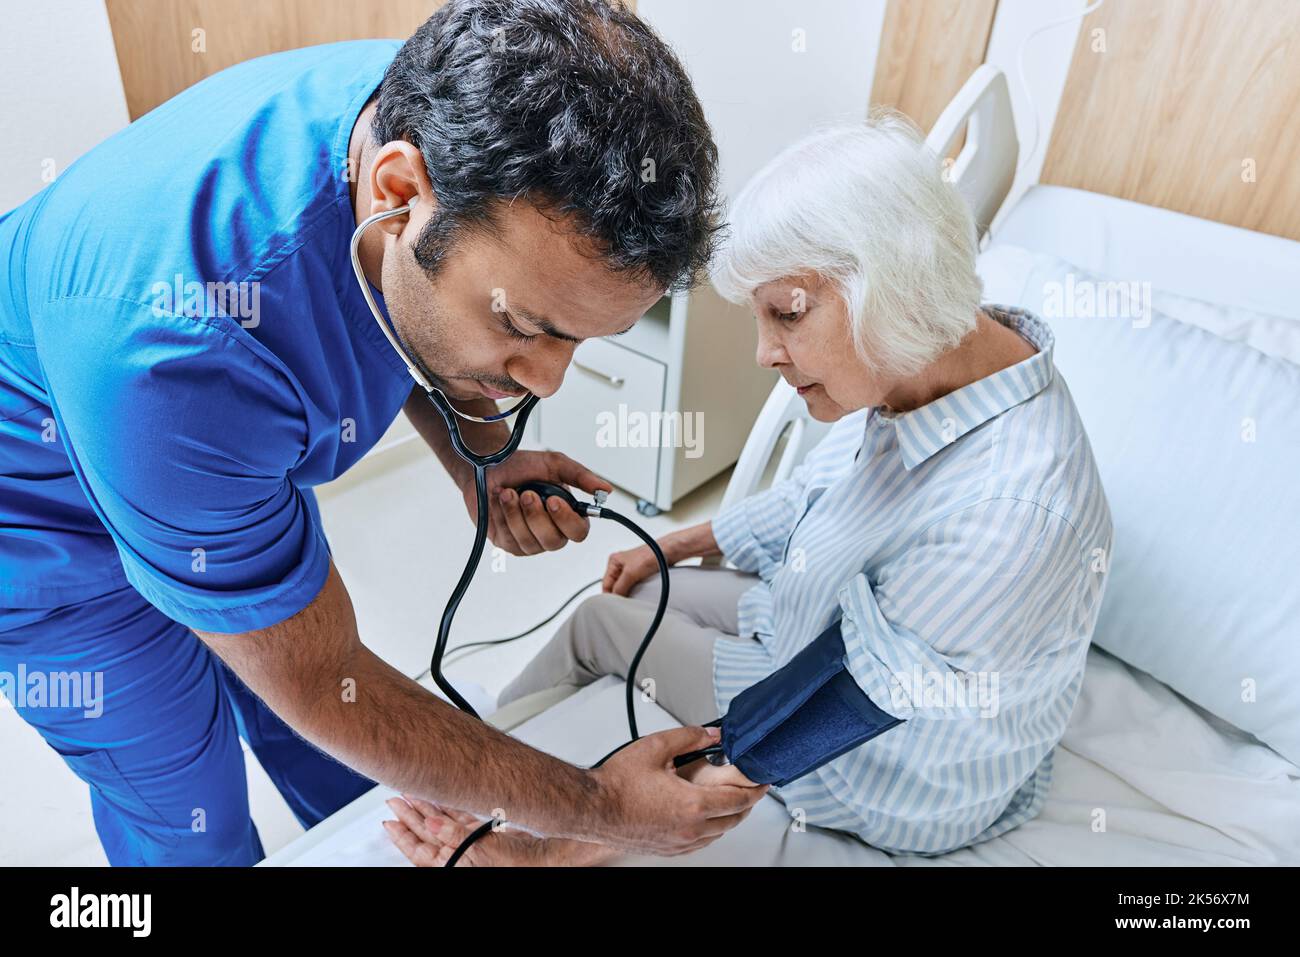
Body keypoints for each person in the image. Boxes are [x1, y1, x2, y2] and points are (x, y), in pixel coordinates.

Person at [0, 0, 769, 866]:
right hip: (43, 520)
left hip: (188, 461)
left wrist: (484, 453)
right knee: (187, 804)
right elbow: (321, 678)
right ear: (398, 193)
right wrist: (598, 807)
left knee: (347, 750)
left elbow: (389, 307)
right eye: (523, 323)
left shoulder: (421, 107)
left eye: (579, 339)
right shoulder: (179, 365)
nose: (548, 380)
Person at [384, 113, 1114, 865]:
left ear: (895, 283)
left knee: (596, 624)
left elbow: (819, 715)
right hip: (815, 618)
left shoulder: (1011, 513)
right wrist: (673, 545)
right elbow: (814, 499)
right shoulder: (945, 362)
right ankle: (494, 758)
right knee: (634, 593)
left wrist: (553, 850)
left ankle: (474, 783)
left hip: (889, 769)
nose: (766, 352)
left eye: (788, 313)